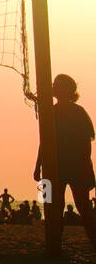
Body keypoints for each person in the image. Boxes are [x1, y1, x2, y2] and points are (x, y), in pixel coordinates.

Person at [34, 74, 96, 249]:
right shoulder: (50, 111)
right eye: (53, 84)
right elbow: (44, 141)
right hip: (53, 166)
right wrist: (37, 165)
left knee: (83, 207)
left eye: (57, 84)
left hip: (75, 166)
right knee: (53, 206)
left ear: (68, 90)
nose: (53, 87)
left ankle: (93, 241)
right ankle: (54, 244)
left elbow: (86, 144)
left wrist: (88, 168)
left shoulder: (78, 112)